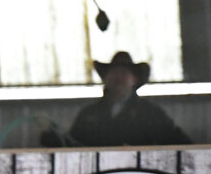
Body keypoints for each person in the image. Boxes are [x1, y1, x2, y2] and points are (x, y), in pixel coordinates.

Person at [44, 52, 191, 147]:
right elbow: (74, 145)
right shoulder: (89, 114)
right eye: (113, 72)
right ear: (105, 78)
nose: (118, 77)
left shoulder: (150, 113)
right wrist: (55, 141)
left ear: (134, 79)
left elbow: (178, 141)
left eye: (124, 72)